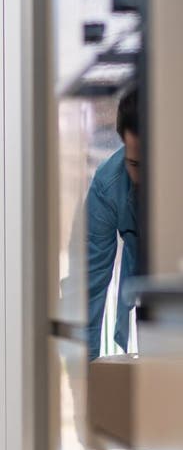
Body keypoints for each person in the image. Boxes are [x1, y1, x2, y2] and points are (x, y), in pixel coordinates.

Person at [87, 85, 140, 361]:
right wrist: (87, 386)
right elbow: (89, 292)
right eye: (135, 165)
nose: (143, 178)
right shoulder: (109, 186)